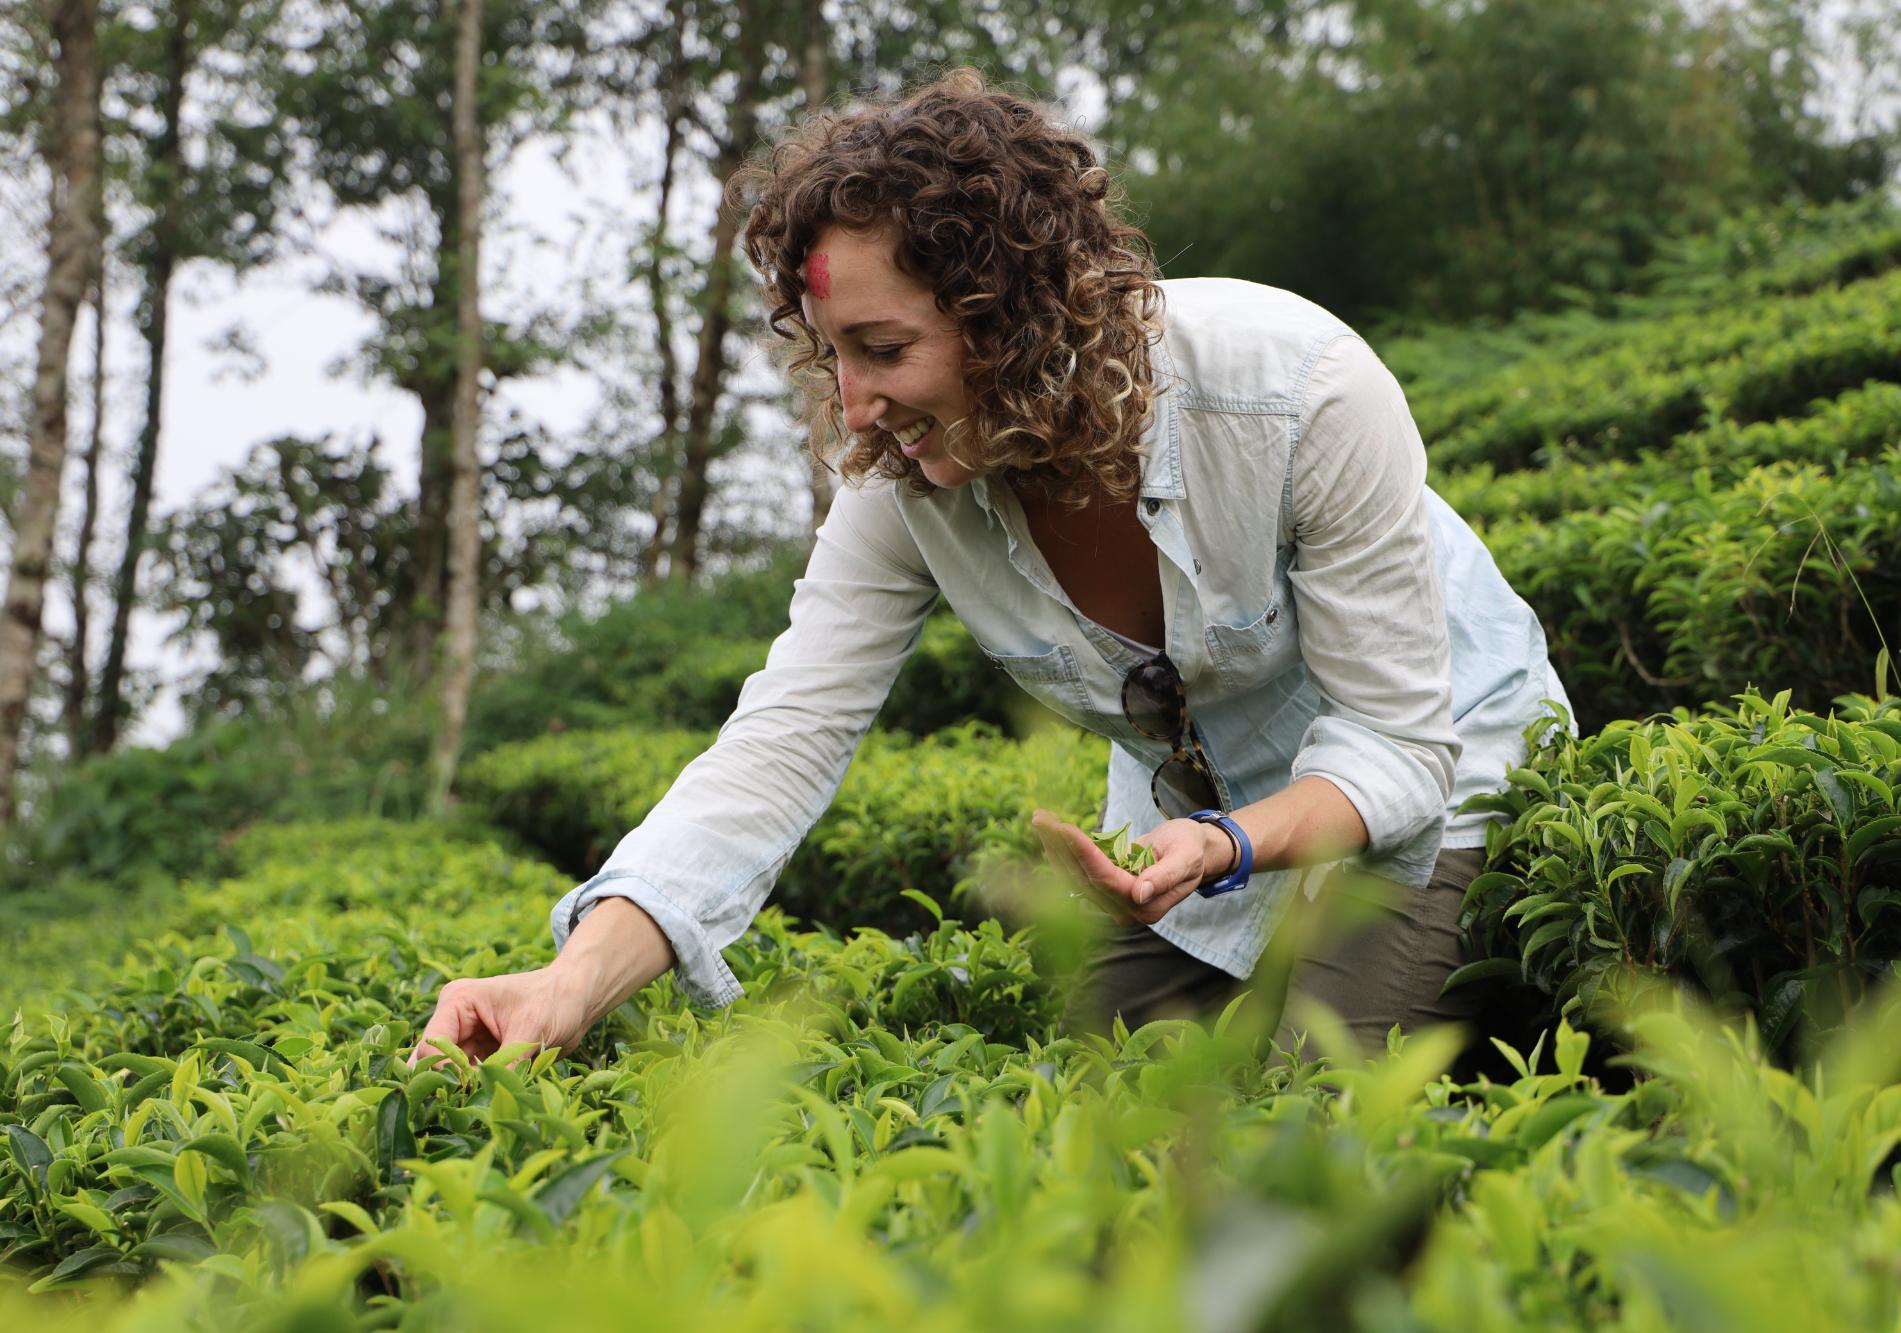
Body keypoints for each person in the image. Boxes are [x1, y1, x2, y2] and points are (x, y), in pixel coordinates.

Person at [410, 68, 1570, 1068]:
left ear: (1019, 316)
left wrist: (1227, 844)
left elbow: (1399, 744)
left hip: (1426, 771)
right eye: (832, 356)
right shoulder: (902, 480)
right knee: (1094, 1118)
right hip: (1191, 825)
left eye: (884, 349)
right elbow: (782, 737)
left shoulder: (1295, 389)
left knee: (1298, 1125)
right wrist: (571, 979)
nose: (855, 405)